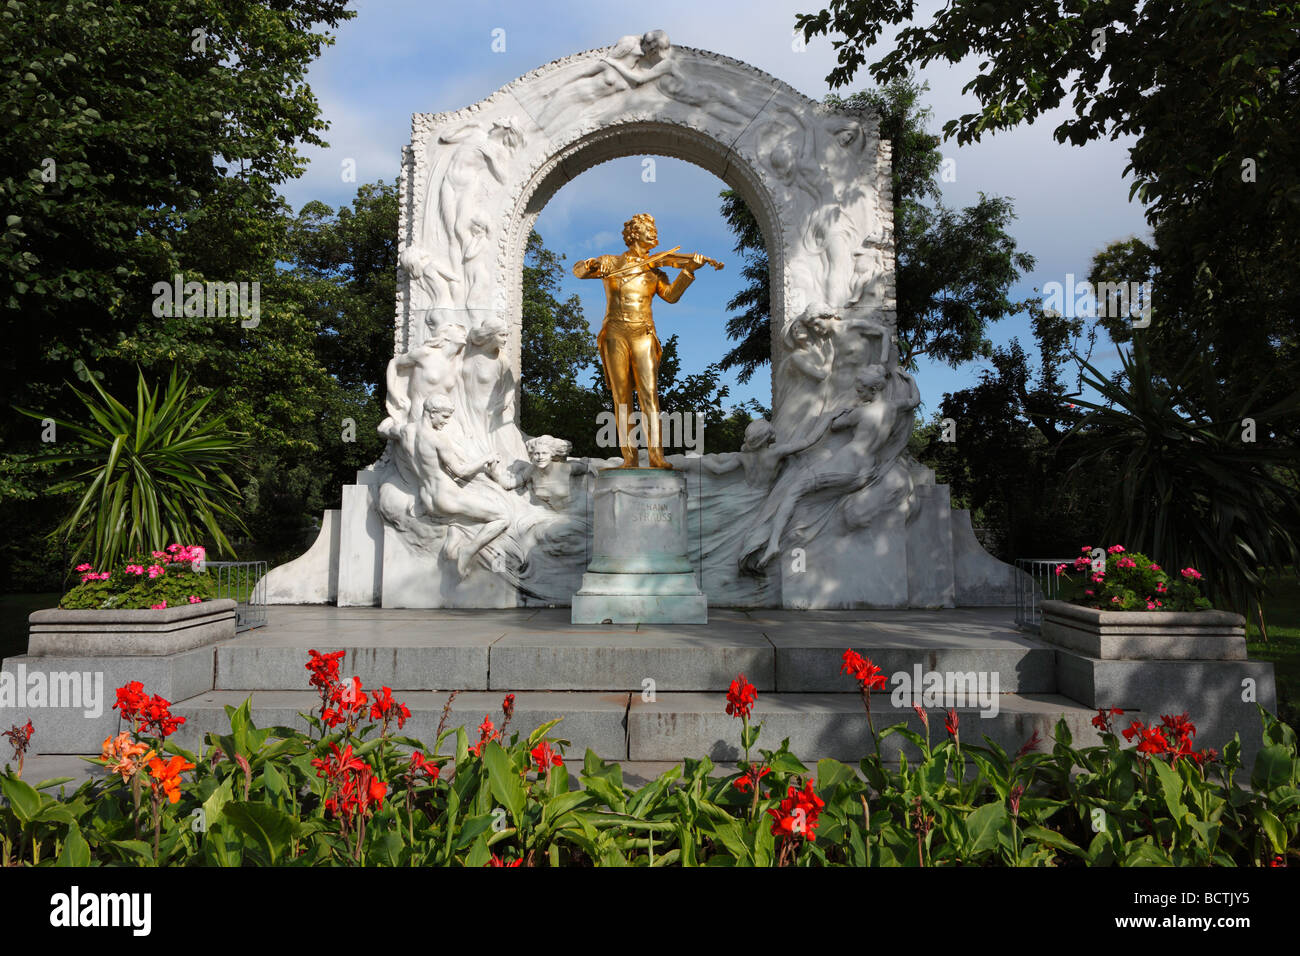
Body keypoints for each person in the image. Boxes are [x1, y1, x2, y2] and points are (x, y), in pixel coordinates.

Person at [573, 213, 720, 468]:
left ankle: (656, 456)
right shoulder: (612, 262)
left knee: (649, 395)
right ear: (634, 234)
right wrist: (590, 264)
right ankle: (629, 457)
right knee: (621, 397)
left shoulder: (656, 271)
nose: (654, 233)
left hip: (643, 332)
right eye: (648, 229)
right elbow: (578, 272)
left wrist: (687, 270)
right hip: (615, 331)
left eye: (654, 229)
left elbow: (672, 297)